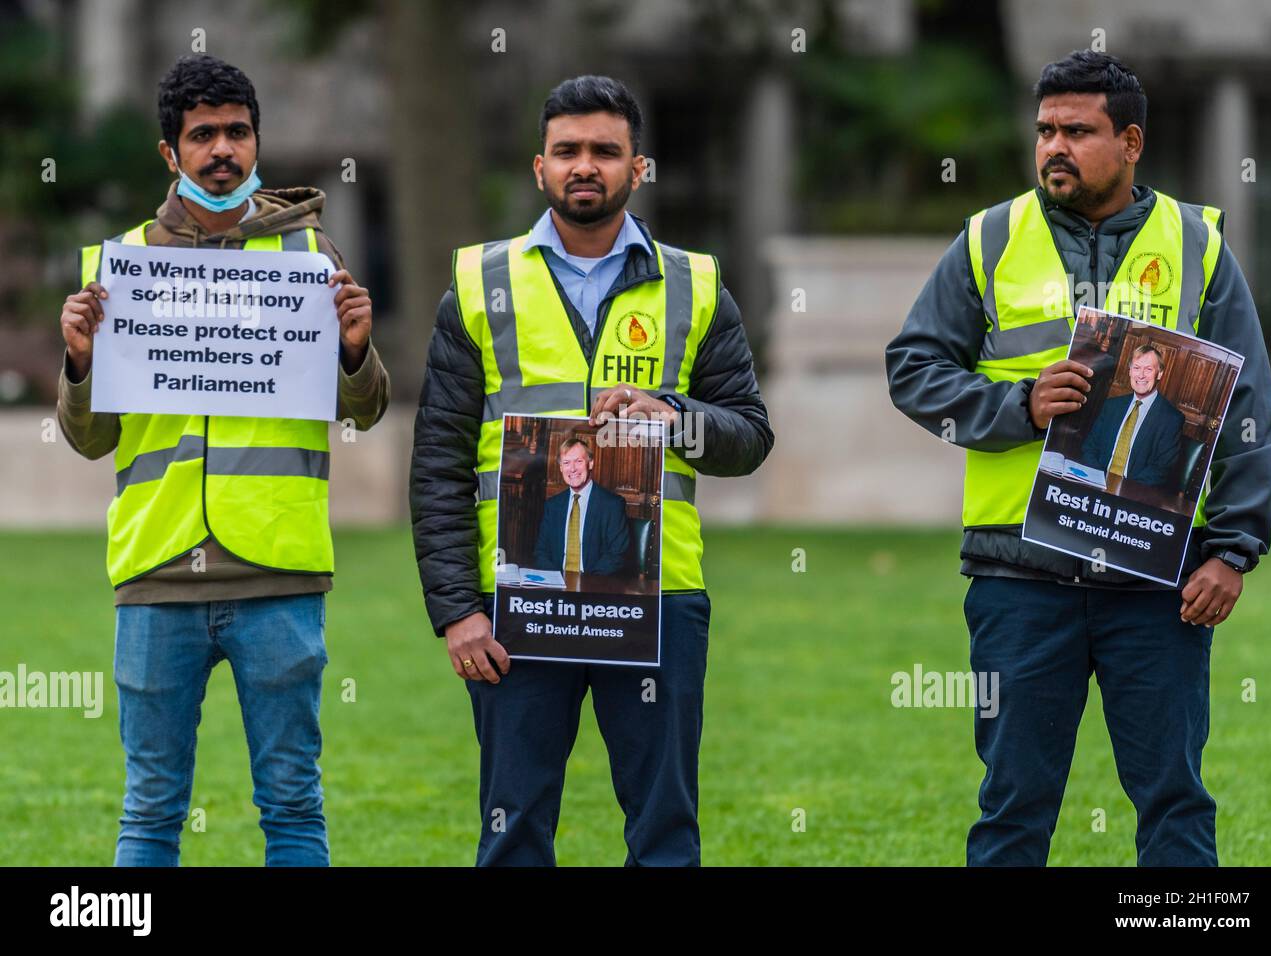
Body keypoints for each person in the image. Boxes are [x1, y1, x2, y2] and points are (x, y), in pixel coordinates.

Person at [886, 51, 1271, 866]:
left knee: (1173, 798)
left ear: (1130, 140)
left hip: (1156, 581)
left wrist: (1235, 549)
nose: (1053, 147)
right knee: (1012, 808)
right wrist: (1016, 407)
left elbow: (1248, 410)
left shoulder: (1197, 244)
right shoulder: (990, 239)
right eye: (1044, 131)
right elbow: (913, 369)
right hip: (1019, 578)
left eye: (1077, 131)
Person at [410, 75, 773, 866]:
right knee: (514, 830)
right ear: (539, 168)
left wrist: (675, 419)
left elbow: (749, 434)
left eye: (605, 152)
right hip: (516, 603)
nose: (585, 165)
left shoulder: (696, 284)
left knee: (663, 830)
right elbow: (437, 461)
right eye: (567, 151)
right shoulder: (481, 282)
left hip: (659, 598)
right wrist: (455, 610)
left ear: (638, 169)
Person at [57, 54, 389, 866]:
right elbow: (92, 437)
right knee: (149, 812)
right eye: (201, 135)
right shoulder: (119, 265)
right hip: (156, 568)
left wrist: (357, 350)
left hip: (278, 572)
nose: (222, 151)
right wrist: (77, 364)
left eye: (237, 132)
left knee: (292, 806)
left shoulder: (309, 256)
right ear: (170, 154)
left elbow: (367, 409)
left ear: (257, 141)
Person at [1080, 345, 1185, 485]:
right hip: (1096, 482)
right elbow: (1089, 447)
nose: (1141, 375)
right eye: (1136, 368)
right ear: (1129, 371)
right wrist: (1098, 480)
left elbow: (1162, 469)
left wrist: (1122, 490)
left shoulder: (1172, 419)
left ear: (1159, 374)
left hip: (1134, 493)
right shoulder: (1112, 406)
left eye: (1148, 369)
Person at [532, 437, 630, 575]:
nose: (572, 469)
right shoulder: (552, 505)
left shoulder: (612, 505)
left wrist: (586, 585)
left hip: (594, 586)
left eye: (578, 461)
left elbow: (617, 555)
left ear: (590, 464)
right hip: (557, 584)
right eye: (566, 463)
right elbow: (541, 552)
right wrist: (557, 580)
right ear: (561, 468)